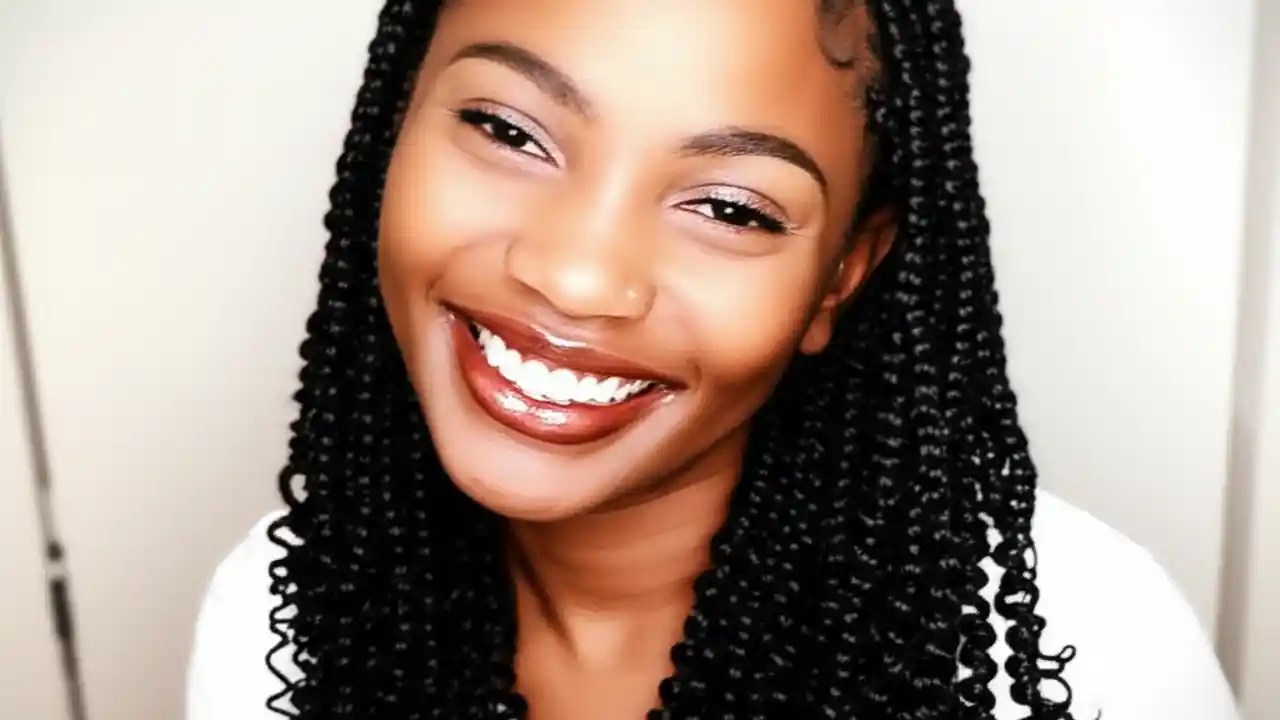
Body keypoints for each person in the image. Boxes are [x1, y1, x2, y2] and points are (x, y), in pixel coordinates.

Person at [185, 1, 1242, 718]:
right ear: (390, 129)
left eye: (730, 207)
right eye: (508, 131)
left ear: (839, 275)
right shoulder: (277, 616)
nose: (579, 275)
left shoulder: (1083, 642)